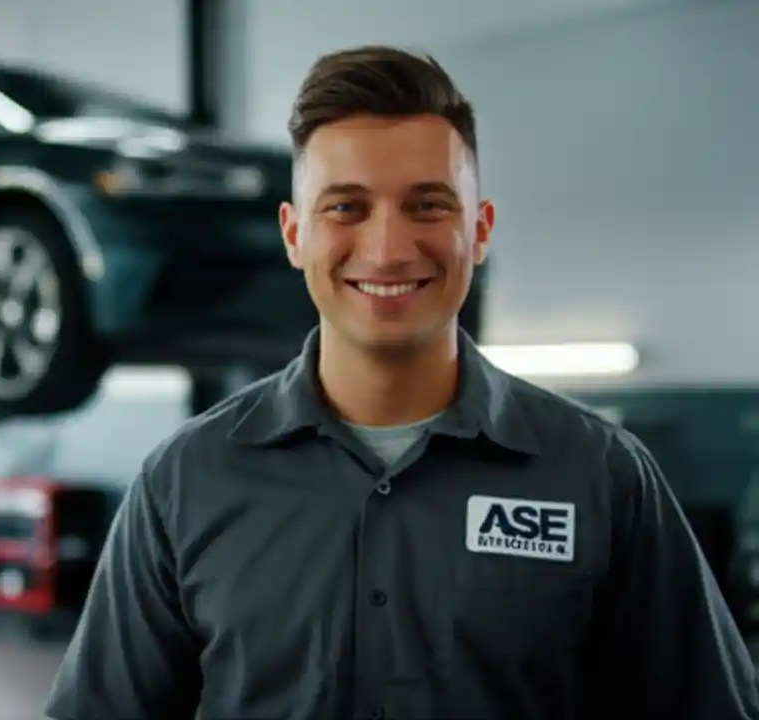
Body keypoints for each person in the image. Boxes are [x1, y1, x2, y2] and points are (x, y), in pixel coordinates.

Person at [43, 45, 759, 720]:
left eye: (428, 206)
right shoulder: (184, 483)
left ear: (478, 231)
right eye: (345, 207)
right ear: (294, 235)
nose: (387, 249)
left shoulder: (601, 476)